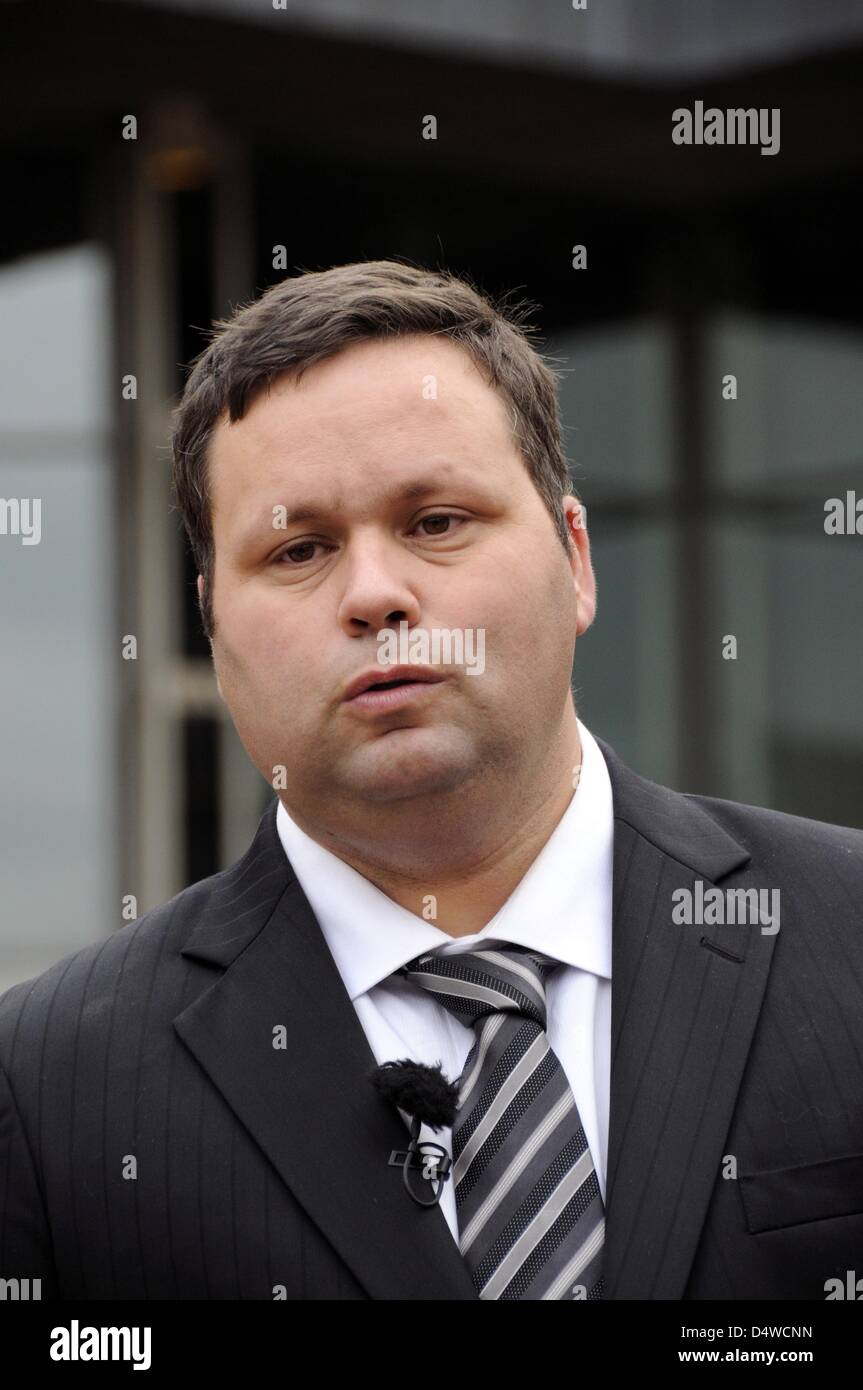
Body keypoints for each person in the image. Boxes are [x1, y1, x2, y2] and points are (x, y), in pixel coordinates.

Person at [1, 260, 861, 1301]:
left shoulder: (842, 934)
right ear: (213, 626)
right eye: (298, 548)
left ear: (575, 558)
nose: (374, 595)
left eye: (436, 521)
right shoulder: (50, 1091)